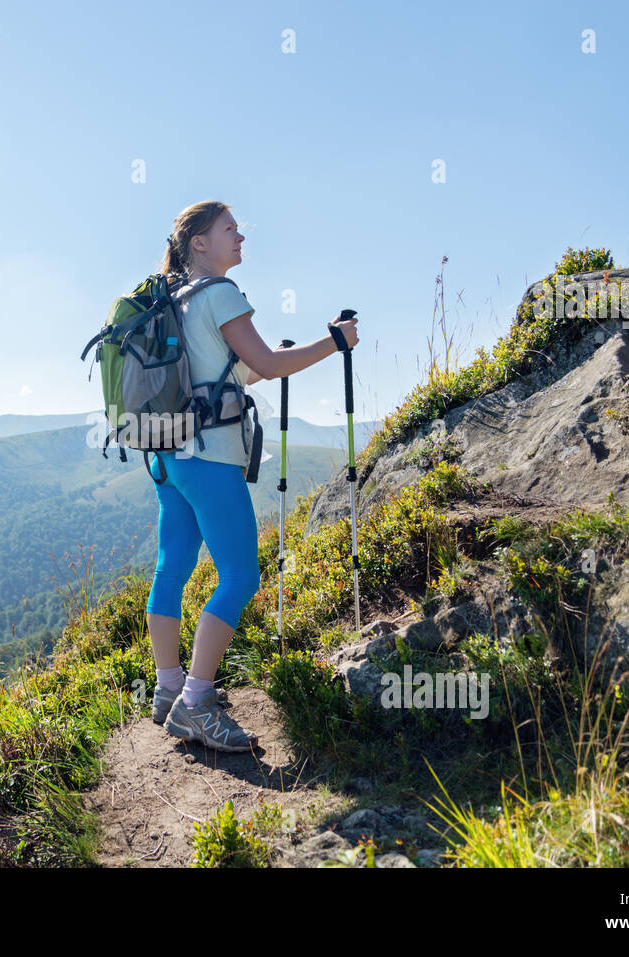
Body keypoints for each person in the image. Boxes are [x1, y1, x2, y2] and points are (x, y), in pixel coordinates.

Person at [147, 200, 360, 751]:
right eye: (229, 230)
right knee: (241, 577)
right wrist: (335, 343)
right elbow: (266, 365)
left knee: (172, 567)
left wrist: (264, 362)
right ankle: (196, 702)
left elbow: (227, 376)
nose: (240, 238)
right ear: (199, 242)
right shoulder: (219, 294)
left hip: (169, 453)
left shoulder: (174, 298)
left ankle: (168, 688)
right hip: (212, 456)